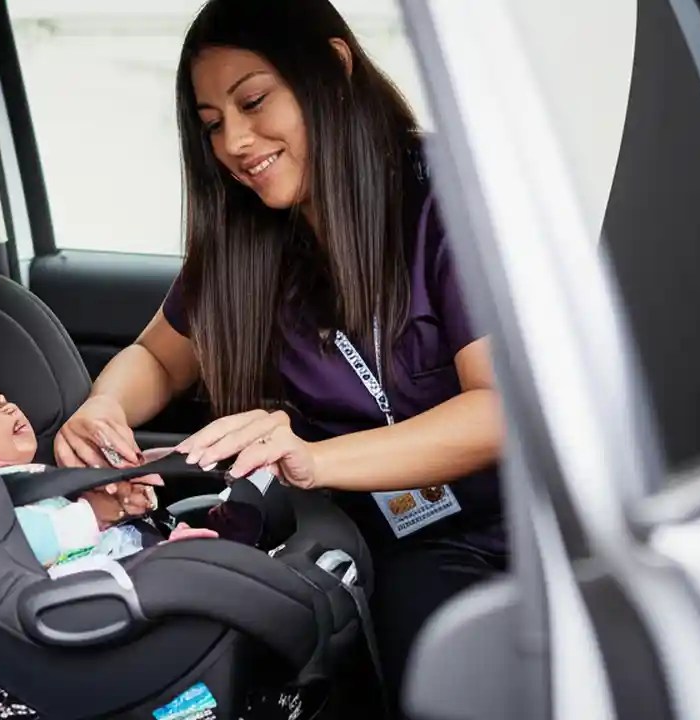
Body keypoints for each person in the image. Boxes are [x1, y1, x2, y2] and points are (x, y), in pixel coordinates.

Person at [53, 0, 506, 712]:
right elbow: (159, 357)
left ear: (334, 67)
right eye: (211, 125)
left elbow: (500, 411)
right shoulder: (250, 240)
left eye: (254, 101)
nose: (234, 142)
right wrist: (105, 404)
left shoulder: (447, 196)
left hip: (507, 526)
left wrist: (315, 459)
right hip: (377, 537)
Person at [0, 370, 218, 569]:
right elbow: (13, 544)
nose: (8, 406)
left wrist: (129, 495)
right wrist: (94, 515)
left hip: (123, 567)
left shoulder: (41, 477)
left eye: (2, 398)